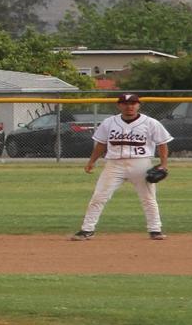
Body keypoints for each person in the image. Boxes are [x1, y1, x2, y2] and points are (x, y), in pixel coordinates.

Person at [70, 93, 173, 241]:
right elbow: (101, 144)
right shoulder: (109, 122)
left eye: (132, 103)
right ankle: (87, 229)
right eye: (125, 103)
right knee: (99, 197)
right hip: (114, 164)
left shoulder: (151, 122)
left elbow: (162, 144)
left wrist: (163, 165)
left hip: (141, 163)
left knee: (148, 198)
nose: (129, 106)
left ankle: (155, 230)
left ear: (138, 105)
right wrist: (92, 161)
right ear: (119, 105)